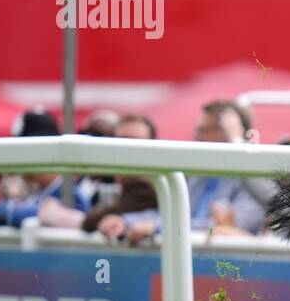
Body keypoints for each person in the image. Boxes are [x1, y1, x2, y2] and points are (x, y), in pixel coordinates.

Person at [110, 101, 274, 243]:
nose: (198, 137)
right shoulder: (198, 175)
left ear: (228, 133)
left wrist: (159, 228)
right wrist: (125, 221)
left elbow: (227, 230)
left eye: (205, 130)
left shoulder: (256, 181)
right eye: (199, 130)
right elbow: (169, 215)